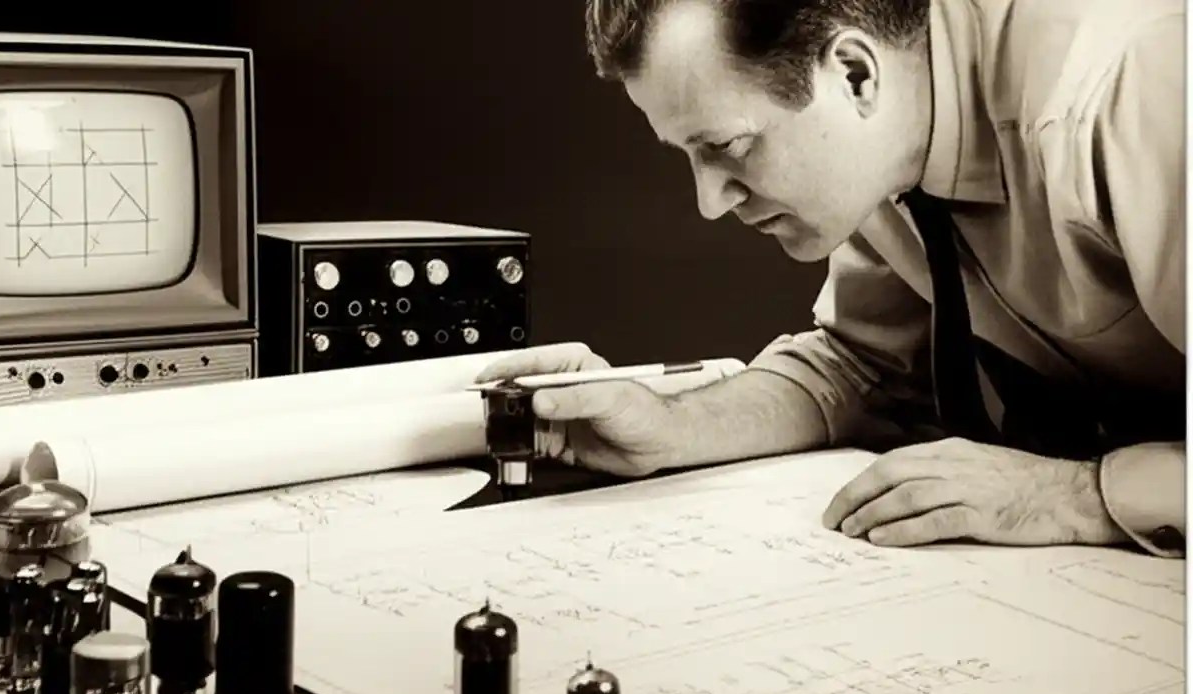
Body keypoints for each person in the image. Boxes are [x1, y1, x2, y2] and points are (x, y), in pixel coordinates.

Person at [476, 0, 1186, 558]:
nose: (709, 201)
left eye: (726, 147)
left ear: (854, 74)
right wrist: (672, 424)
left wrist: (1076, 495)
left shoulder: (1136, 83)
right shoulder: (892, 131)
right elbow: (861, 367)